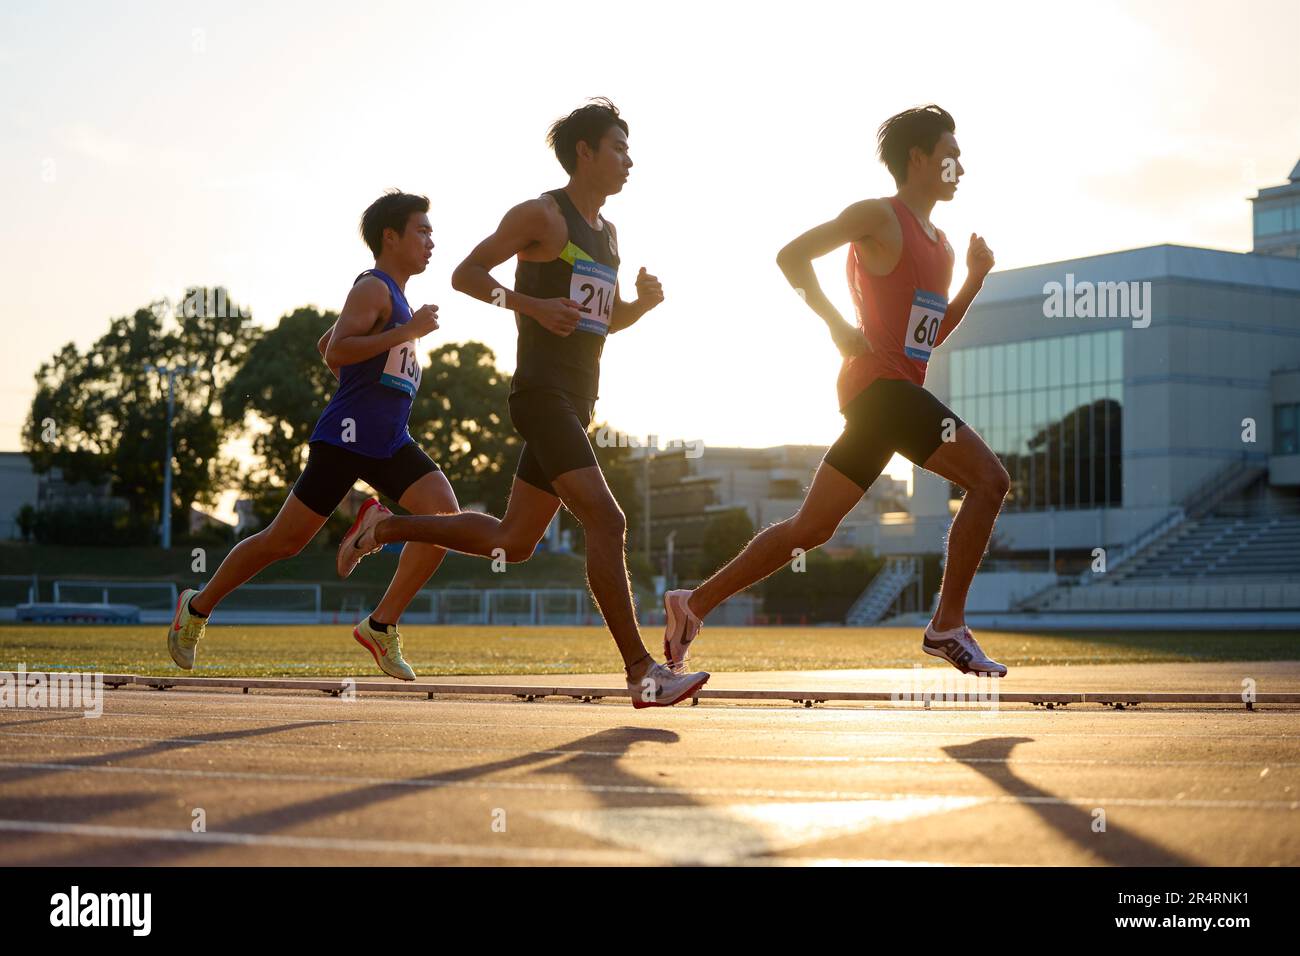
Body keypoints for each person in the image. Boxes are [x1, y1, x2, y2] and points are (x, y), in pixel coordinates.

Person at [339, 100, 709, 708]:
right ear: (584, 152)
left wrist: (640, 306)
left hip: (578, 400)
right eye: (618, 147)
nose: (629, 161)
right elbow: (465, 273)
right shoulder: (542, 215)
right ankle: (642, 673)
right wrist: (529, 305)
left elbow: (597, 323)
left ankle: (384, 526)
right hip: (540, 396)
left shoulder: (608, 235)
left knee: (513, 542)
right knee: (608, 520)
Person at [662, 105, 1009, 678]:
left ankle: (691, 604)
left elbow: (928, 339)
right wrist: (832, 323)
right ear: (919, 159)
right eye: (951, 157)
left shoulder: (943, 247)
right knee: (990, 480)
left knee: (810, 529)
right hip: (879, 388)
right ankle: (947, 624)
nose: (960, 169)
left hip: (890, 394)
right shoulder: (877, 215)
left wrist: (972, 279)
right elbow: (791, 256)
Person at [168, 190, 457, 681]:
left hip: (389, 440)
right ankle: (196, 608)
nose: (432, 240)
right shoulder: (375, 288)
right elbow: (336, 352)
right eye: (422, 231)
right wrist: (405, 332)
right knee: (283, 542)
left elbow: (332, 339)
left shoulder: (393, 297)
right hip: (346, 439)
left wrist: (393, 332)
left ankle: (381, 625)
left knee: (444, 517)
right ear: (391, 236)